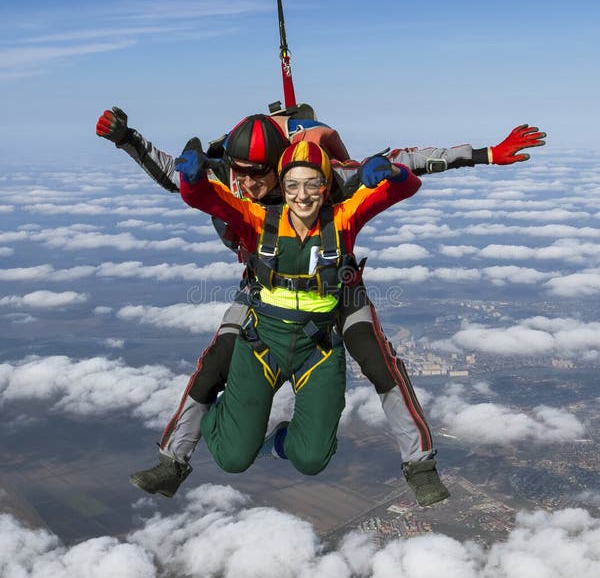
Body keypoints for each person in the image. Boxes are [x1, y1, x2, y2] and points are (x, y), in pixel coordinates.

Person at [96, 106, 545, 504]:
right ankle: (175, 462)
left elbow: (407, 163)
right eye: (240, 172)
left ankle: (418, 465)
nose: (248, 183)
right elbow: (177, 178)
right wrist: (128, 139)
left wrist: (485, 154)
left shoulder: (326, 178)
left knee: (379, 363)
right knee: (215, 363)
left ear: (280, 166)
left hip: (337, 286)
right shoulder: (231, 181)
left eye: (258, 174)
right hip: (264, 287)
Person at [174, 139, 421, 477]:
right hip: (263, 343)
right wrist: (192, 179)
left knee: (311, 459)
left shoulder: (343, 219)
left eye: (312, 184)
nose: (302, 196)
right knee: (233, 459)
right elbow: (205, 198)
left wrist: (392, 171)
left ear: (325, 186)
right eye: (292, 185)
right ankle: (222, 413)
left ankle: (280, 442)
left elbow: (407, 187)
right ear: (282, 186)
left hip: (318, 346)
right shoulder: (259, 219)